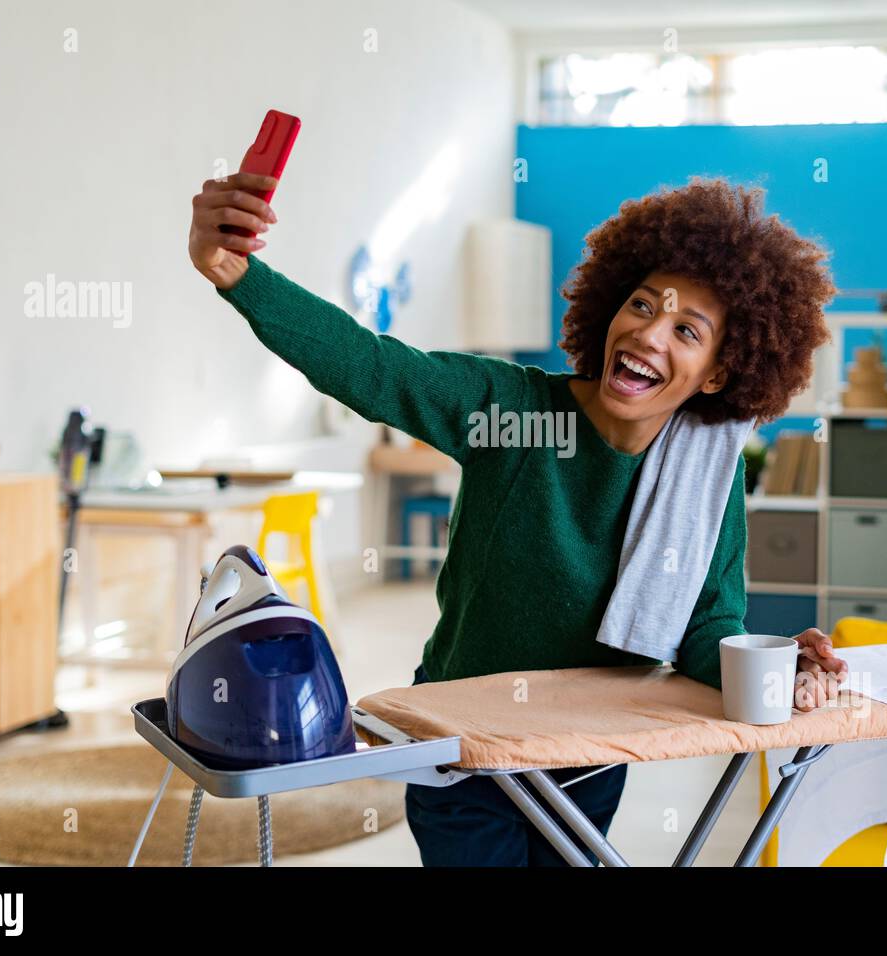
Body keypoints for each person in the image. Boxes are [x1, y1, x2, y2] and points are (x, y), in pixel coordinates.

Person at [189, 172, 849, 866]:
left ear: (718, 373)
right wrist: (239, 276)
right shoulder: (515, 414)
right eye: (642, 304)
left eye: (686, 329)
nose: (650, 333)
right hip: (462, 743)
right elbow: (373, 367)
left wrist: (775, 664)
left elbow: (705, 628)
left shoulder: (706, 477)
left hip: (586, 751)